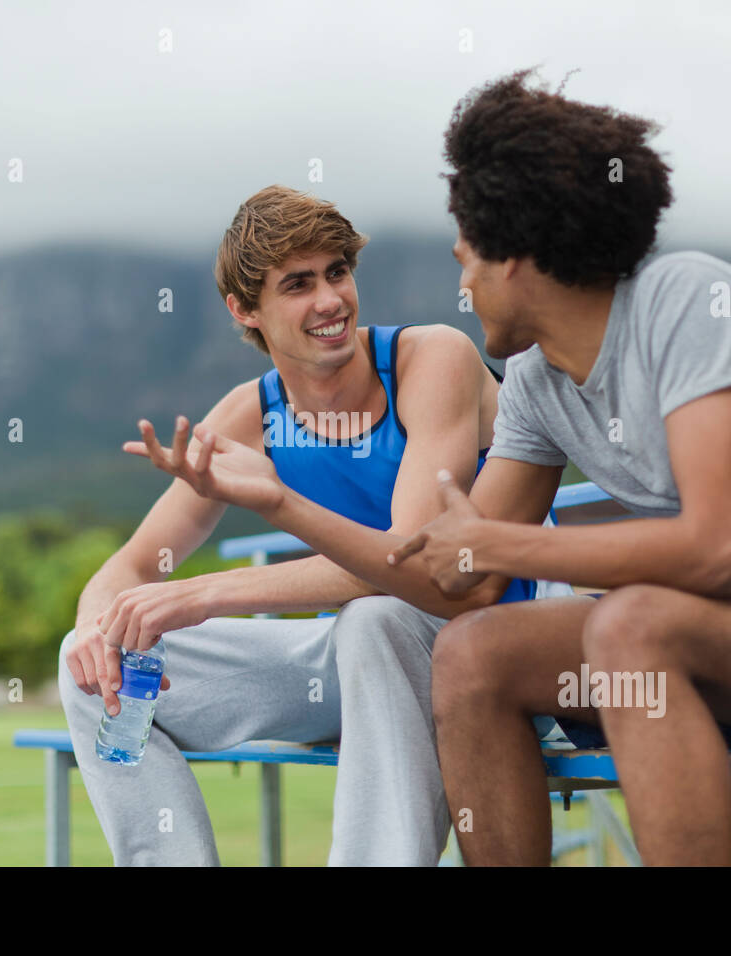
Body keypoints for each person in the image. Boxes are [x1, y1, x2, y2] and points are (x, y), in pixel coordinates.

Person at [141, 71, 731, 867]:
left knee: (629, 626)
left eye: (468, 259)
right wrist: (283, 503)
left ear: (518, 258)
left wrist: (503, 547)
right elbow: (452, 581)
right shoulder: (536, 384)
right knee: (475, 651)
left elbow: (716, 549)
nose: (460, 282)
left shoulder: (686, 299)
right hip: (727, 646)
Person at [60, 183, 569, 866]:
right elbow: (129, 565)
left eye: (338, 272)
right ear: (246, 310)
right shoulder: (249, 413)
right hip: (360, 666)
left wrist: (206, 592)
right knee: (87, 662)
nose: (330, 300)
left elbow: (414, 565)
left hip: (491, 648)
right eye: (297, 284)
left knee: (376, 621)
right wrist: (100, 629)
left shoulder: (429, 359)